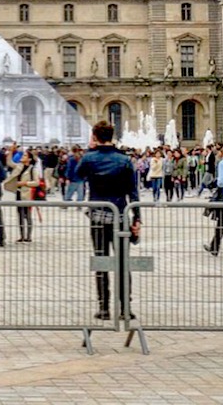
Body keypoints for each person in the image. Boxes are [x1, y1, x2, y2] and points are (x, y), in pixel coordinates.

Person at [76, 120, 140, 320]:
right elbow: (133, 191)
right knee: (123, 262)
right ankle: (125, 308)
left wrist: (90, 149)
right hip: (120, 214)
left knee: (101, 260)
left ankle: (104, 307)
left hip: (97, 215)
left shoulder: (89, 158)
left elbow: (75, 175)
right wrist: (137, 218)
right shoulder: (124, 160)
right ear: (112, 136)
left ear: (95, 137)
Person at [11, 152, 42, 243]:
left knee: (27, 215)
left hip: (27, 194)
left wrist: (25, 183)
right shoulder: (19, 167)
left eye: (25, 155)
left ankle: (28, 236)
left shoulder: (33, 169)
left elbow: (37, 182)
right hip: (19, 193)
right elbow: (9, 163)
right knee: (20, 215)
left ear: (29, 159)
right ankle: (22, 236)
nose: (22, 157)